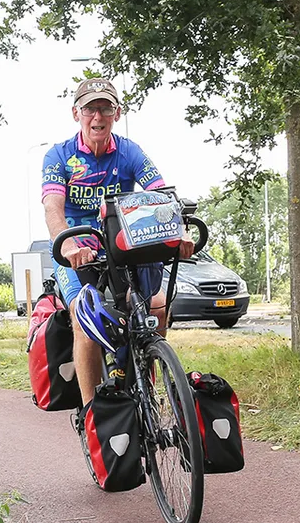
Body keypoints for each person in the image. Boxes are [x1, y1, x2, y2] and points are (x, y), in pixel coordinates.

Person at [41, 77, 194, 411]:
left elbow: (161, 194)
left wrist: (179, 230)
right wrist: (65, 246)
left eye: (105, 108)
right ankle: (93, 415)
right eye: (90, 109)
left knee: (156, 306)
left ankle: (146, 371)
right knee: (86, 317)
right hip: (77, 249)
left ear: (117, 113)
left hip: (120, 243)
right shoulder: (58, 156)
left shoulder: (129, 151)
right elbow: (52, 207)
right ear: (76, 113)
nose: (98, 116)